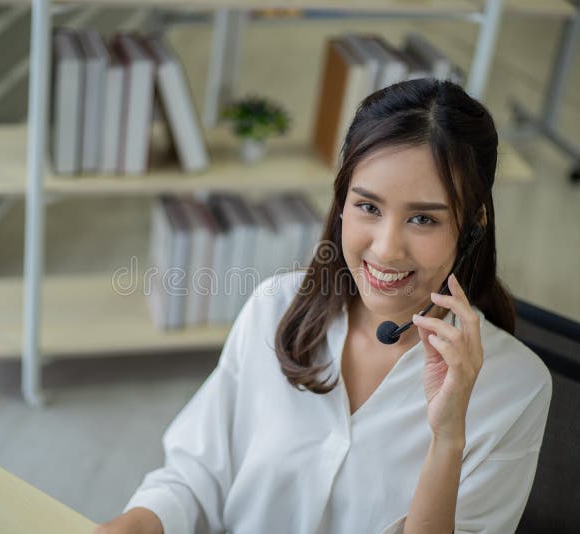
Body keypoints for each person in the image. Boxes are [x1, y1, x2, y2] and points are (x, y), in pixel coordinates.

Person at [95, 79, 552, 534]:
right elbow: (198, 475)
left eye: (422, 218)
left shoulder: (514, 390)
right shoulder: (275, 307)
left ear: (473, 224)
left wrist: (449, 439)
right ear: (341, 204)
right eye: (368, 207)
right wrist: (139, 522)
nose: (387, 249)